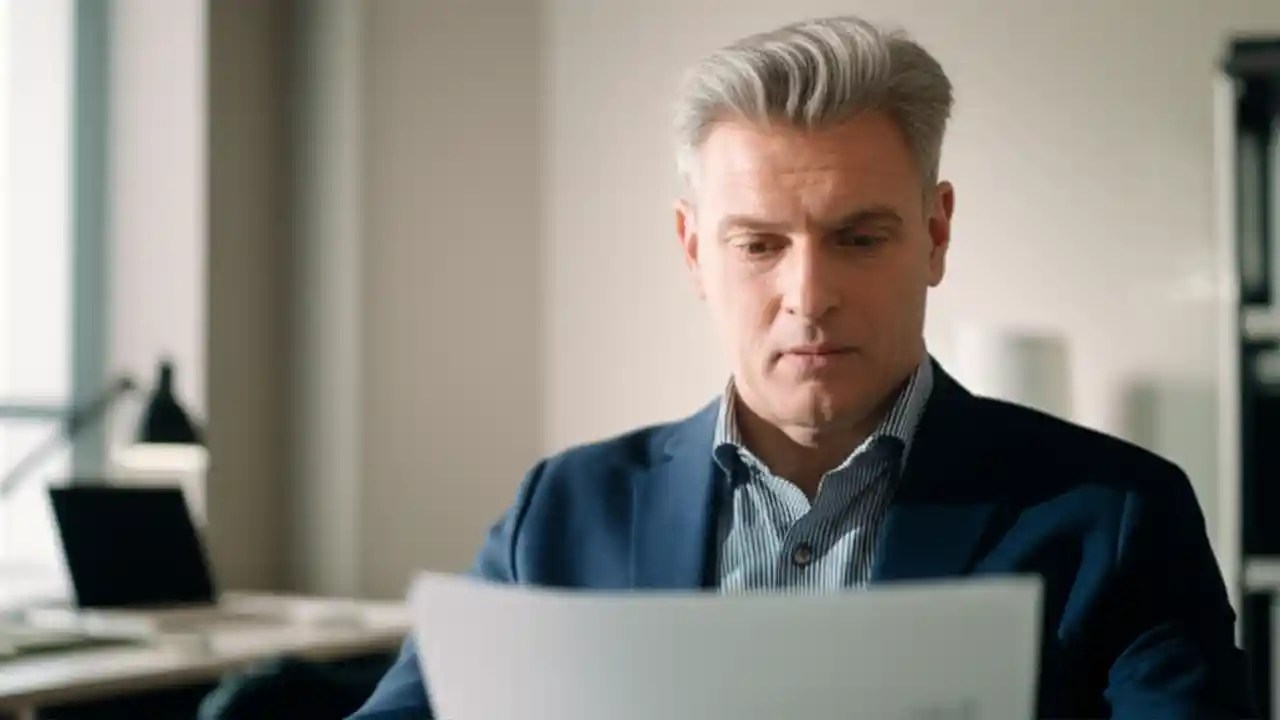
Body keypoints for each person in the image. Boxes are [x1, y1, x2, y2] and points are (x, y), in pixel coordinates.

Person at [350, 15, 1253, 719]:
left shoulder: (1118, 520)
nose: (809, 295)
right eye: (759, 245)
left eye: (859, 238)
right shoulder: (558, 517)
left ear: (935, 234)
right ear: (693, 250)